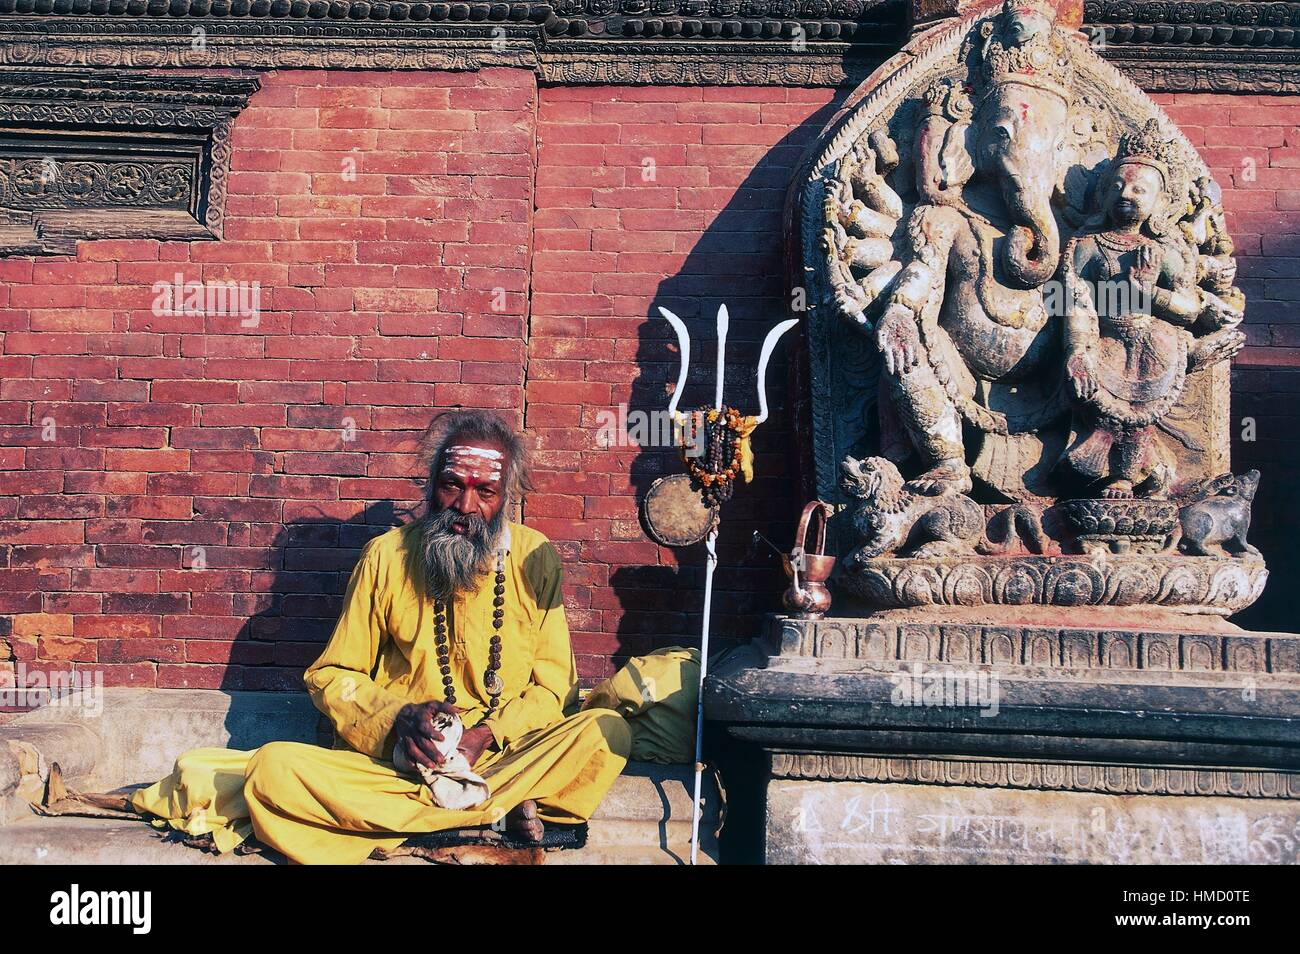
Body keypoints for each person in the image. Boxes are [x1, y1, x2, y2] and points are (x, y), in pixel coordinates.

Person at [131, 409, 631, 864]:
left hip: (502, 755)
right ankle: (483, 822)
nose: (465, 505)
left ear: (506, 499)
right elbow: (331, 675)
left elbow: (553, 689)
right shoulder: (386, 556)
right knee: (273, 769)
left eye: (485, 492)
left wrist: (485, 736)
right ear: (431, 483)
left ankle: (434, 822)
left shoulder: (533, 557)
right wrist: (398, 720)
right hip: (402, 764)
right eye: (451, 485)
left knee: (605, 731)